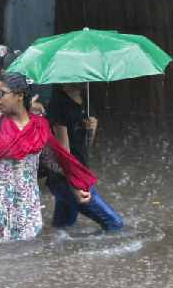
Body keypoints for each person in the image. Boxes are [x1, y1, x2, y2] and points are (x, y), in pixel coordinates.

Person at [0, 72, 96, 243]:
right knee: (5, 246)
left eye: (2, 93)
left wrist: (75, 187)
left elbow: (52, 162)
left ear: (19, 96)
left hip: (28, 198)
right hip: (1, 198)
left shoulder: (39, 126)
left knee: (28, 245)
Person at [46, 83, 124, 231]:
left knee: (62, 229)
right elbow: (63, 152)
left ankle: (51, 245)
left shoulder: (85, 100)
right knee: (115, 224)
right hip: (68, 177)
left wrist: (91, 129)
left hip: (72, 175)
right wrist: (74, 186)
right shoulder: (58, 104)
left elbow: (85, 147)